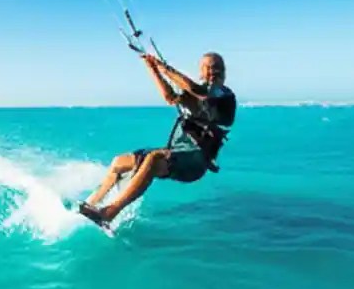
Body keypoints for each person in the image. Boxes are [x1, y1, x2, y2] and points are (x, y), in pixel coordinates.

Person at [77, 51, 236, 226]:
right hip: (177, 152)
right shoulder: (195, 97)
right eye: (208, 68)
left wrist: (165, 68)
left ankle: (110, 212)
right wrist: (153, 68)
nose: (213, 71)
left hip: (195, 161)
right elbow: (170, 97)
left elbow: (197, 90)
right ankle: (91, 205)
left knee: (154, 158)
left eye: (217, 68)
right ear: (201, 71)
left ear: (224, 71)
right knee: (118, 163)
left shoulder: (225, 96)